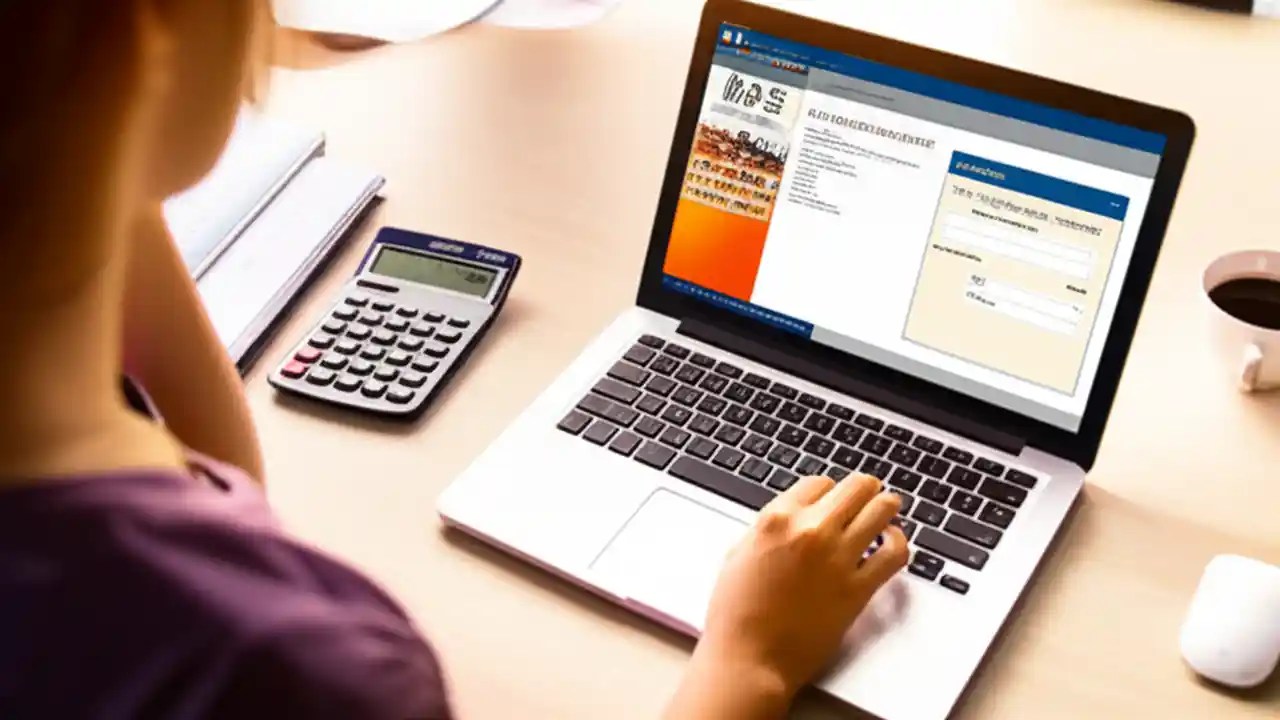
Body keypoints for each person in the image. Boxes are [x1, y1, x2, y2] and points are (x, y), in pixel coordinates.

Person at [0, 2, 909, 718]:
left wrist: (100, 163)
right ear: (147, 42)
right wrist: (749, 664)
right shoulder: (295, 671)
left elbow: (224, 488)